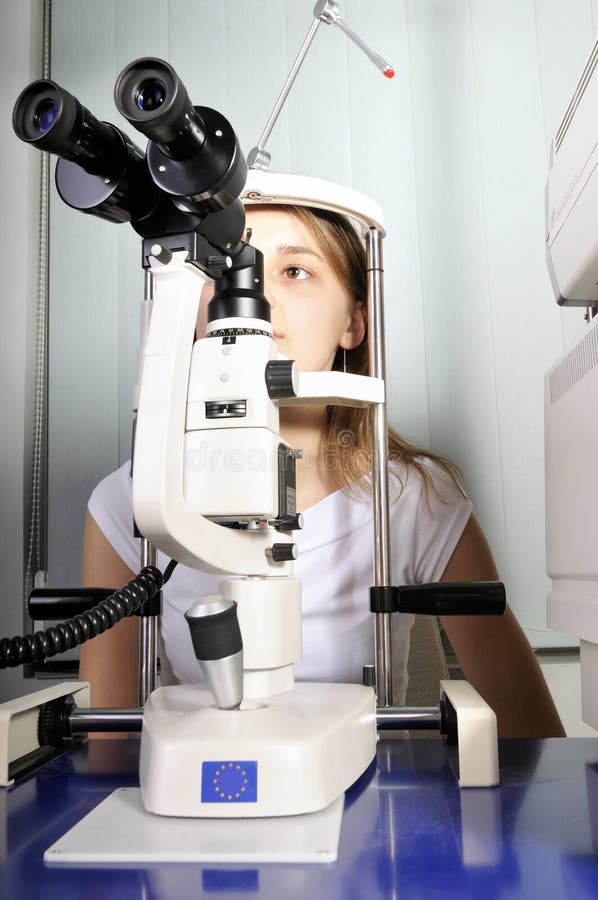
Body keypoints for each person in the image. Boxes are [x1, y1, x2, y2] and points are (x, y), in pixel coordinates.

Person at [80, 203, 565, 739]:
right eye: (224, 268)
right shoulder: (131, 499)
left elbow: (532, 740)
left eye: (294, 271)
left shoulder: (411, 499)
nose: (255, 298)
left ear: (354, 322)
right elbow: (107, 754)